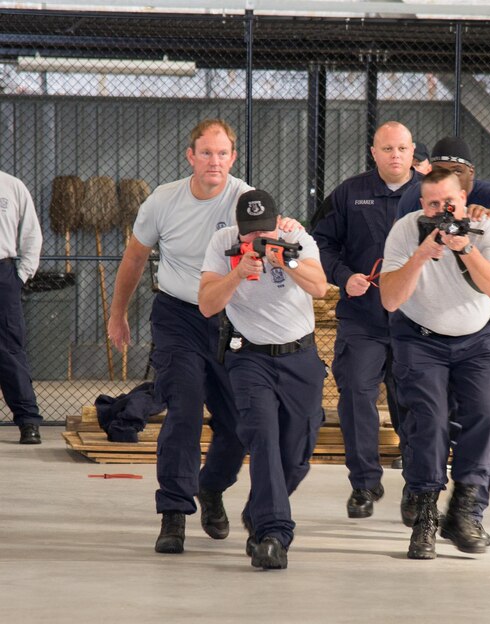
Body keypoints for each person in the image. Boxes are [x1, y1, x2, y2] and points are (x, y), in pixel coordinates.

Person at [108, 119, 300, 554]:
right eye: (206, 153)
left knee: (236, 424)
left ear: (233, 158)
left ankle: (210, 489)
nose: (215, 161)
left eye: (222, 153)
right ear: (190, 156)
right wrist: (117, 314)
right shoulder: (164, 200)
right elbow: (135, 256)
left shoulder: (245, 200)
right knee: (185, 409)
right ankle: (173, 513)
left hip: (230, 318)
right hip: (177, 316)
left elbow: (276, 244)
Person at [396, 136, 490, 536]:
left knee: (489, 402)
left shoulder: (488, 197)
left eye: (459, 170)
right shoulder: (417, 202)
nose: (450, 175)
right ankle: (422, 489)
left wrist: (477, 222)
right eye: (442, 167)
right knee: (427, 410)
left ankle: (467, 503)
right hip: (430, 319)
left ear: (470, 177)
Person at [380, 168, 490, 560]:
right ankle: (424, 516)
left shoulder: (489, 231)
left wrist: (465, 248)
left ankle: (465, 512)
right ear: (422, 205)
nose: (442, 210)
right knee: (429, 421)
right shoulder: (405, 230)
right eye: (433, 204)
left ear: (464, 198)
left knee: (486, 417)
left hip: (477, 338)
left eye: (448, 203)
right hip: (422, 339)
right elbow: (389, 300)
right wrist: (420, 256)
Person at [199, 189, 328, 570]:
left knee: (297, 454)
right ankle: (273, 534)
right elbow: (207, 304)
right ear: (239, 229)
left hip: (299, 356)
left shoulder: (296, 239)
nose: (256, 241)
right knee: (263, 438)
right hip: (249, 357)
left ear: (277, 224)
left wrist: (285, 260)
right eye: (249, 235)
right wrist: (237, 273)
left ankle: (260, 512)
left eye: (263, 233)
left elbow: (320, 287)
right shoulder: (222, 243)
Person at [313, 121, 421, 519]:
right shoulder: (349, 194)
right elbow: (319, 242)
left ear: (413, 153)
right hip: (363, 319)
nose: (395, 156)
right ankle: (363, 483)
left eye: (402, 149)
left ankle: (417, 487)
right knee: (357, 395)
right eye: (387, 148)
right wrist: (343, 277)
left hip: (415, 323)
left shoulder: (428, 194)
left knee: (412, 403)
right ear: (373, 152)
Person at [0, 171, 43, 445]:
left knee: (10, 350)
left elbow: (31, 233)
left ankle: (28, 421)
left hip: (3, 275)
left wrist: (20, 276)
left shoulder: (12, 186)